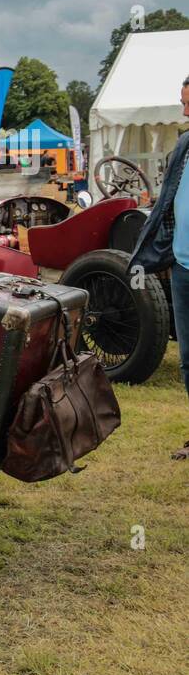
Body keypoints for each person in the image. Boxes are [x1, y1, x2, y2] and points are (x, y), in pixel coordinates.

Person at [128, 74, 189, 458]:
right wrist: (162, 253)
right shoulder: (184, 146)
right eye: (183, 102)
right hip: (184, 268)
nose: (185, 111)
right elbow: (167, 203)